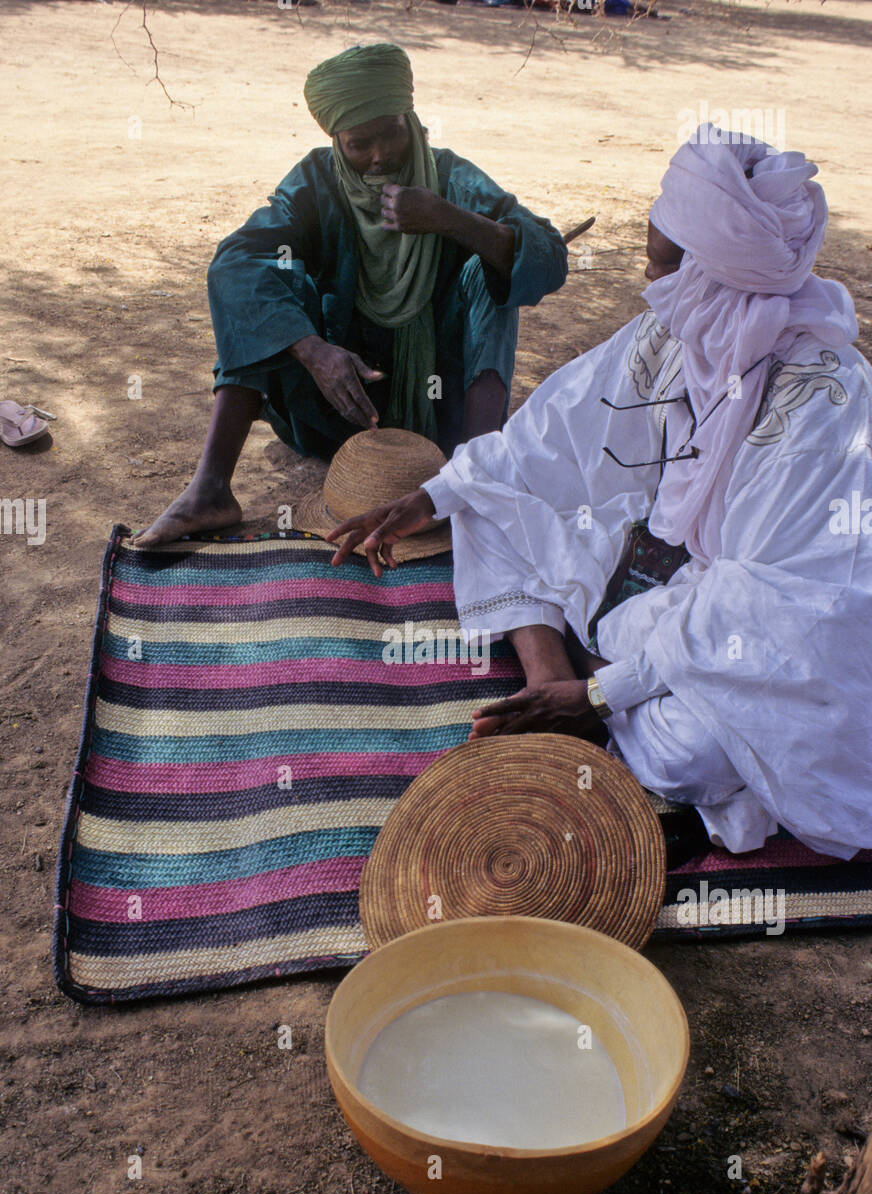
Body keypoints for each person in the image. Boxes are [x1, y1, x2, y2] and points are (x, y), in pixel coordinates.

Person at [327, 124, 872, 859]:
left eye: (667, 272)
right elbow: (548, 433)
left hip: (759, 631)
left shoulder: (825, 404)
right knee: (489, 496)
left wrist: (604, 695)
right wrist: (429, 497)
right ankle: (555, 670)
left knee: (692, 752)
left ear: (720, 272)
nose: (654, 294)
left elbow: (774, 608)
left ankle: (578, 686)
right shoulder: (684, 323)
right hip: (653, 565)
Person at [135, 42, 567, 549]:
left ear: (410, 118)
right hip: (339, 414)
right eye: (361, 143)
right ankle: (210, 488)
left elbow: (549, 260)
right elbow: (235, 262)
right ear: (336, 140)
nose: (380, 154)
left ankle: (471, 476)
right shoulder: (316, 182)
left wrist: (448, 219)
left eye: (391, 133)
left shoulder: (449, 178)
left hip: (441, 413)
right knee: (268, 277)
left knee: (490, 273)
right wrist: (314, 352)